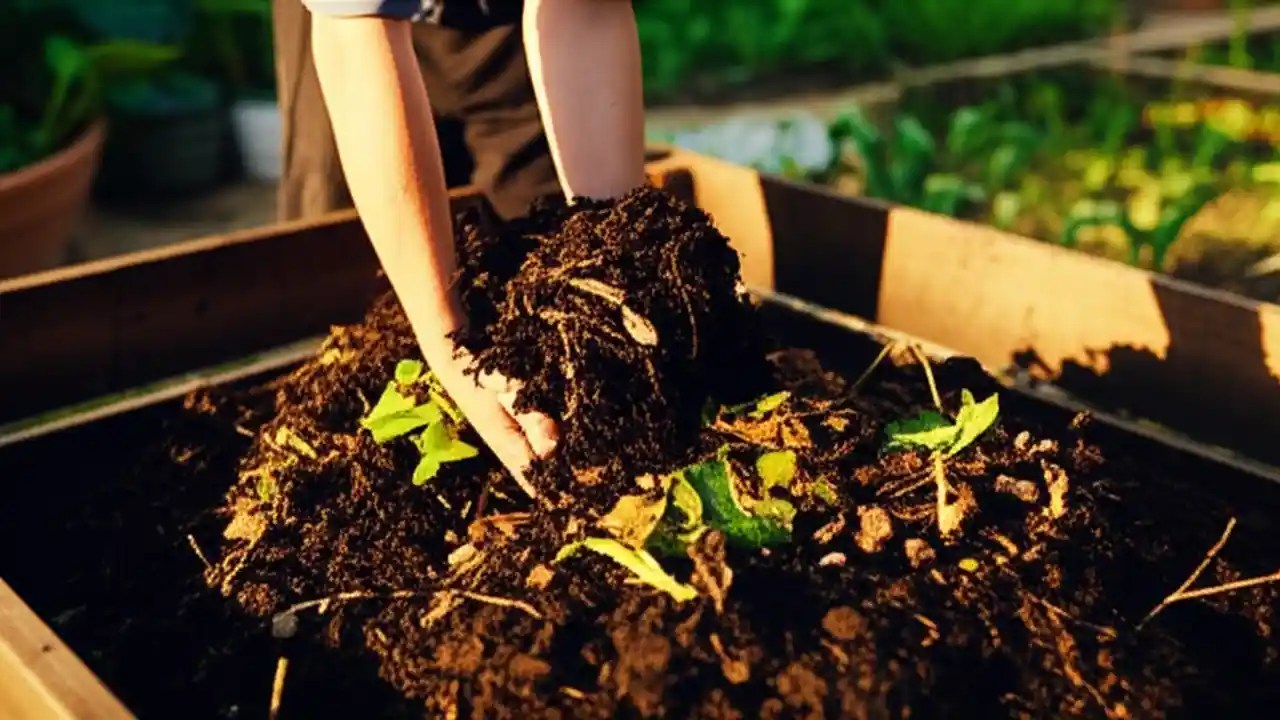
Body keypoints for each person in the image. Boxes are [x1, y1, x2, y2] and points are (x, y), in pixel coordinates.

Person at [295, 0, 646, 492]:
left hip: (511, 28)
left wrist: (619, 265)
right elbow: (356, 32)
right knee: (344, 276)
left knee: (534, 227)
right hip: (352, 35)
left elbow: (584, 11)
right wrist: (450, 343)